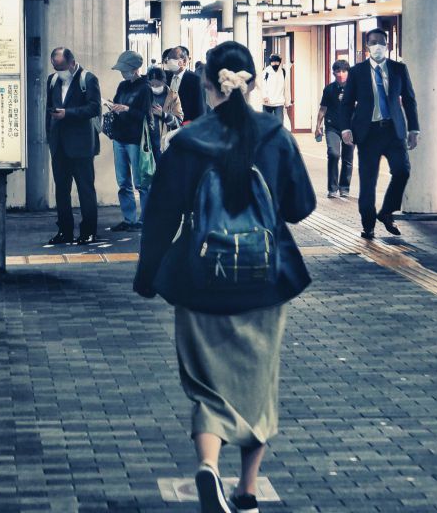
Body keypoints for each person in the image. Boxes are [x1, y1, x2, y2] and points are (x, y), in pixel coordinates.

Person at [134, 41, 315, 513]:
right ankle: (247, 492)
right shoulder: (275, 137)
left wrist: (148, 275)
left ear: (207, 86)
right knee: (258, 386)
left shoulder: (187, 142)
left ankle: (209, 467)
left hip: (199, 281)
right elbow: (301, 206)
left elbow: (161, 217)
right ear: (251, 84)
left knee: (207, 384)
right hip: (264, 282)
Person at [339, 28, 420, 239]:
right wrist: (346, 128)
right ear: (367, 46)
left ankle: (386, 212)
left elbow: (409, 100)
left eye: (381, 42)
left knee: (402, 171)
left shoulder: (399, 69)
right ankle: (368, 224)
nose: (378, 46)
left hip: (394, 131)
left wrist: (414, 128)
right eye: (373, 42)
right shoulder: (357, 72)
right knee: (368, 181)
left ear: (387, 45)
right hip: (368, 133)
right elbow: (347, 103)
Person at [45, 47, 101, 246]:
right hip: (59, 144)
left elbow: (94, 108)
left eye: (61, 67)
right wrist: (49, 135)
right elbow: (48, 109)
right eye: (55, 67)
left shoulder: (88, 79)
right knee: (61, 190)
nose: (58, 71)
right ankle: (65, 231)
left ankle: (89, 232)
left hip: (81, 145)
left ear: (72, 62)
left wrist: (67, 113)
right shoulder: (52, 80)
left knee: (85, 189)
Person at [107, 50, 153, 232]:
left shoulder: (145, 88)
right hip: (119, 137)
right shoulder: (122, 86)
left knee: (141, 182)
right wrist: (113, 106)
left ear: (135, 69)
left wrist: (127, 109)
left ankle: (144, 220)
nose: (122, 73)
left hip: (135, 139)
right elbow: (117, 104)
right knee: (123, 182)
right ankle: (129, 219)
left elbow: (145, 116)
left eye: (125, 70)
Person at [314, 59, 354, 199]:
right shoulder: (329, 89)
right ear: (333, 73)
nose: (341, 74)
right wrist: (318, 126)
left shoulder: (355, 88)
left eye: (344, 71)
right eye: (338, 71)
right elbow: (323, 109)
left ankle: (344, 188)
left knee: (347, 158)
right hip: (332, 127)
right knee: (333, 154)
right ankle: (332, 188)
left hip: (350, 127)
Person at [146, 65, 183, 156]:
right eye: (152, 85)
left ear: (163, 82)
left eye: (158, 84)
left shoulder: (173, 97)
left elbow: (178, 122)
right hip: (146, 144)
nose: (154, 87)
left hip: (165, 143)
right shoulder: (144, 95)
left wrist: (163, 115)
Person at [165, 45, 205, 123]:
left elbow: (200, 107)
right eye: (168, 58)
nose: (170, 61)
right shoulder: (166, 77)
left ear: (184, 61)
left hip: (186, 123)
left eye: (174, 58)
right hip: (166, 123)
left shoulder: (195, 80)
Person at [260, 54, 289, 122]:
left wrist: (287, 102)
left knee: (279, 123)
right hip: (267, 102)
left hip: (279, 103)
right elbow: (262, 85)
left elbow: (286, 88)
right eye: (273, 62)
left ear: (279, 62)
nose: (275, 63)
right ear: (270, 62)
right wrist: (264, 96)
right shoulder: (266, 71)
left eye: (276, 61)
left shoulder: (283, 72)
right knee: (266, 123)